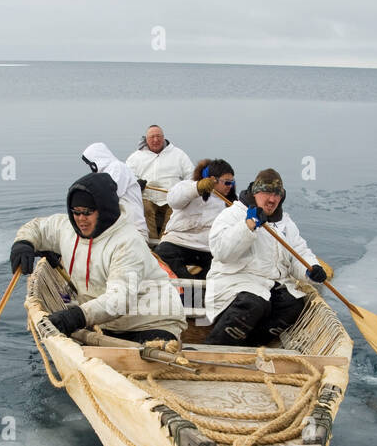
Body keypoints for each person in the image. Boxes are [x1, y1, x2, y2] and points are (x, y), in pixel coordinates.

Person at [9, 172, 186, 343]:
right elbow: (39, 228)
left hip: (152, 322)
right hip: (108, 324)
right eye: (75, 212)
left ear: (104, 210)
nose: (80, 219)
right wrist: (24, 243)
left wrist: (77, 316)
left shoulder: (127, 243)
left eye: (87, 212)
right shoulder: (67, 229)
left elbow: (118, 300)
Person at [204, 168, 331, 347]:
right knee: (254, 303)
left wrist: (311, 270)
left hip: (272, 286)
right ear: (255, 192)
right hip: (235, 282)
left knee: (294, 305)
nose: (272, 200)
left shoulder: (286, 223)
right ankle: (215, 346)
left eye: (277, 195)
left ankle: (251, 345)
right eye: (266, 193)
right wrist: (248, 226)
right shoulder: (233, 214)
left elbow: (299, 254)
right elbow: (221, 252)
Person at [154, 159, 237, 279]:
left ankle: (193, 291)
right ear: (213, 179)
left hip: (207, 249)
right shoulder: (188, 186)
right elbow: (173, 200)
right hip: (178, 242)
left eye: (232, 183)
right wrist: (197, 188)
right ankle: (187, 287)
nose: (230, 187)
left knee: (221, 268)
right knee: (162, 255)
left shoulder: (232, 202)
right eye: (227, 183)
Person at [125, 125, 195, 238]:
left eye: (158, 136)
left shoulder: (178, 154)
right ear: (146, 139)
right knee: (145, 208)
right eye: (152, 137)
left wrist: (184, 189)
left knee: (175, 211)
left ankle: (166, 240)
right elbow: (127, 177)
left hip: (171, 196)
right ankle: (151, 242)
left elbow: (191, 175)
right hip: (148, 196)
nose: (156, 140)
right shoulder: (136, 157)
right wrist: (136, 184)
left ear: (164, 138)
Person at [81, 142, 148, 237]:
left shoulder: (117, 168)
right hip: (121, 228)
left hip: (133, 230)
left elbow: (110, 195)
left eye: (90, 163)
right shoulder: (108, 172)